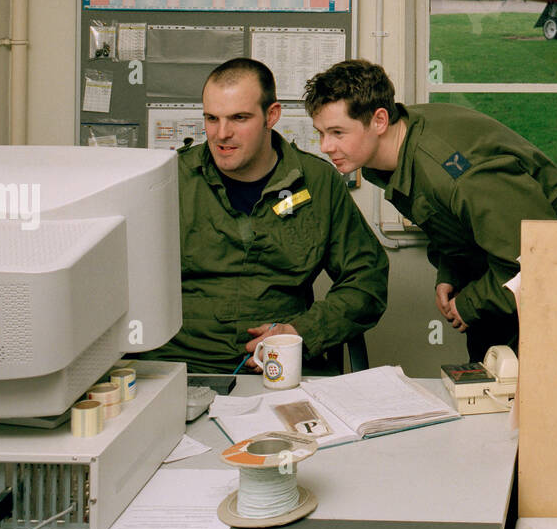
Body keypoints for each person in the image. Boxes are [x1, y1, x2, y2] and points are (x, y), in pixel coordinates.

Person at [303, 60, 557, 360]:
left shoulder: (454, 172)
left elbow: (539, 259)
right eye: (321, 133)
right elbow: (460, 223)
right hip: (504, 281)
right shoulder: (397, 146)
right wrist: (451, 272)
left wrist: (469, 304)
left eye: (338, 133)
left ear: (379, 120)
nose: (325, 147)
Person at [150, 58, 389, 374]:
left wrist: (302, 332)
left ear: (271, 116)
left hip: (281, 365)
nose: (222, 134)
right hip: (181, 367)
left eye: (239, 118)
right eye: (211, 118)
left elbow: (366, 278)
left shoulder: (316, 182)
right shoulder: (168, 179)